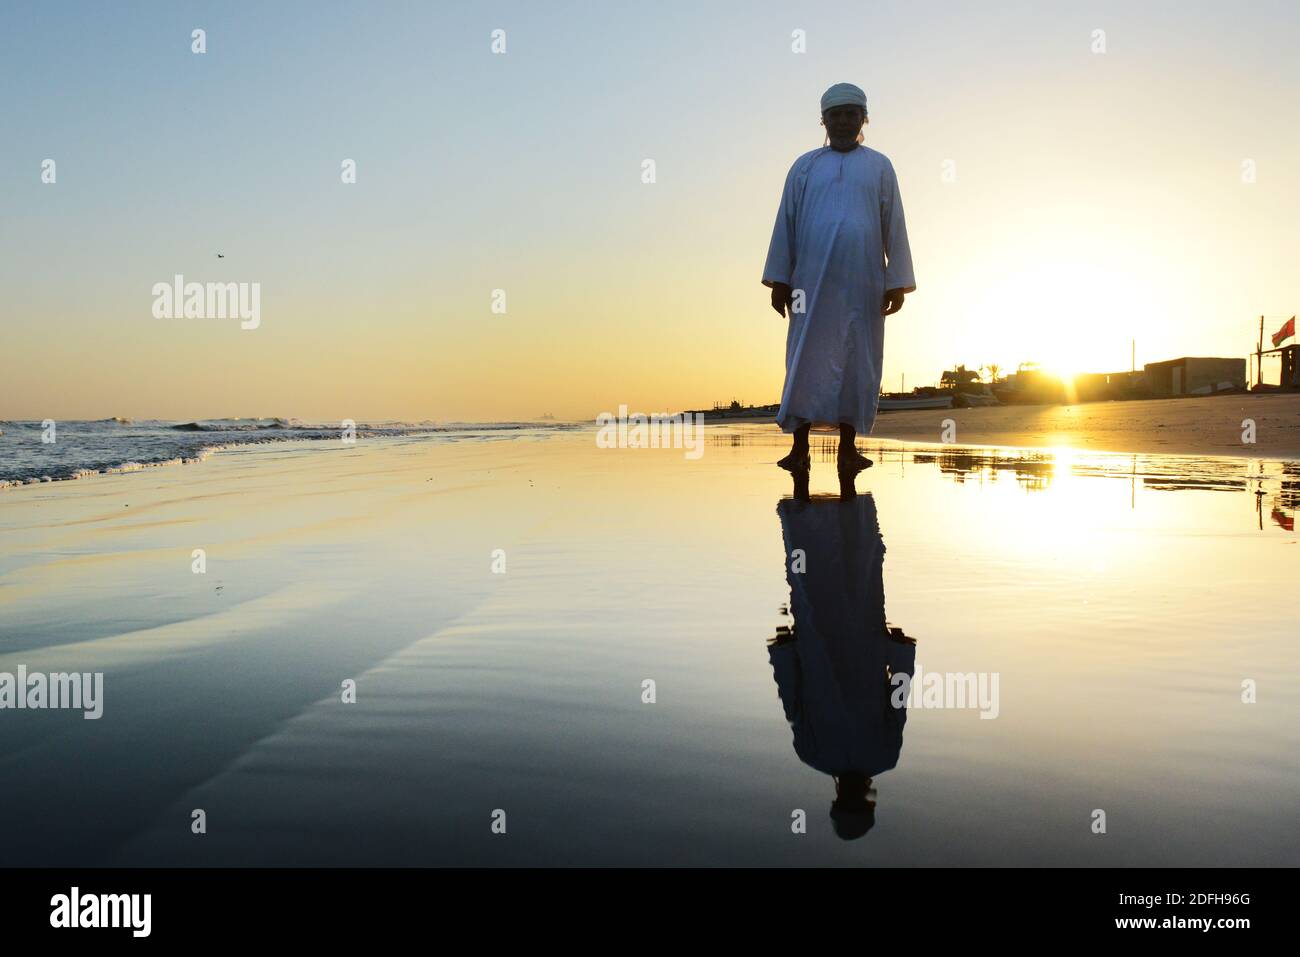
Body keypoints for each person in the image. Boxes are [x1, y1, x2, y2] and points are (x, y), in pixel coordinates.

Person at [762, 82, 916, 472]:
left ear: (864, 118)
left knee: (857, 358)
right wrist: (780, 278)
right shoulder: (805, 166)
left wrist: (896, 279)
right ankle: (799, 448)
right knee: (803, 357)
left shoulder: (879, 165)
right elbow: (786, 221)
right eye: (836, 115)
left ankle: (849, 449)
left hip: (863, 281)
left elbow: (893, 221)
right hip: (808, 284)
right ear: (824, 120)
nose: (844, 121)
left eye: (851, 114)